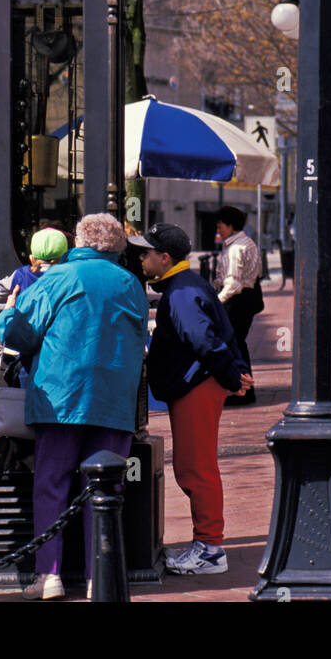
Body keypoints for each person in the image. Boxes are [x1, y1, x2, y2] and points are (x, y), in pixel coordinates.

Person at [0, 212, 148, 601]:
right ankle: (101, 574)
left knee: (51, 485)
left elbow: (19, 334)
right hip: (114, 400)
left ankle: (50, 575)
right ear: (117, 247)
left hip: (60, 398)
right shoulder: (131, 283)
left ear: (79, 242)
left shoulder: (58, 278)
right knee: (105, 489)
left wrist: (8, 312)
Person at [136, 224, 252, 576]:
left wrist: (232, 375)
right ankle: (207, 544)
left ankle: (210, 550)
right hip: (197, 383)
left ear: (165, 258)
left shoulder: (182, 291)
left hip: (197, 386)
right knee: (195, 466)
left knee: (196, 468)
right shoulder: (184, 285)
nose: (141, 259)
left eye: (146, 253)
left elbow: (203, 338)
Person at [213, 206, 263, 405]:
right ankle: (244, 389)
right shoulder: (242, 243)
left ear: (231, 225)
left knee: (234, 345)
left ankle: (243, 390)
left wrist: (216, 302)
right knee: (237, 344)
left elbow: (233, 284)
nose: (218, 228)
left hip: (237, 302)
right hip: (245, 300)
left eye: (221, 225)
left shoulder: (236, 248)